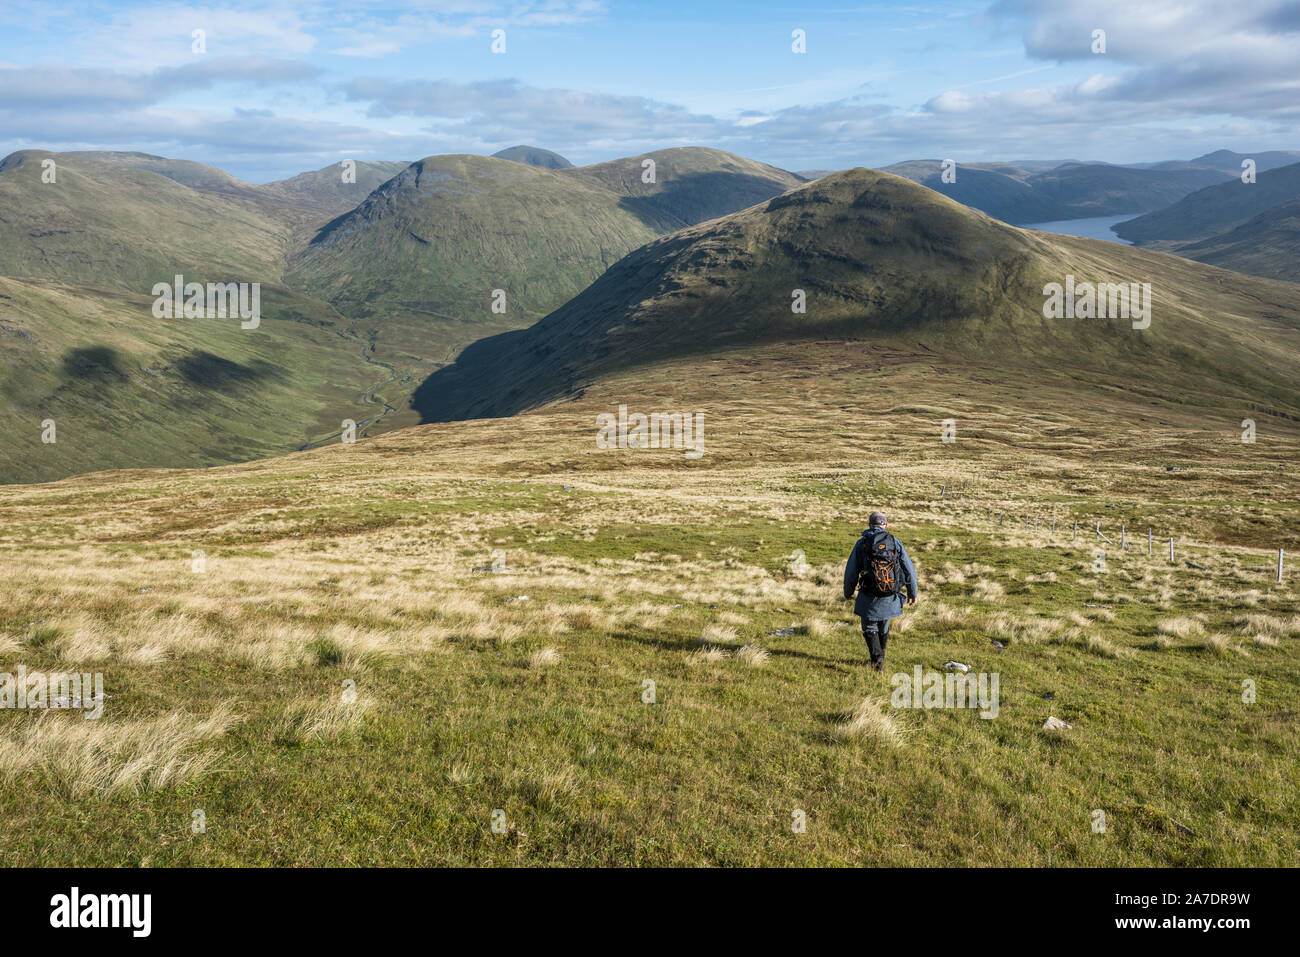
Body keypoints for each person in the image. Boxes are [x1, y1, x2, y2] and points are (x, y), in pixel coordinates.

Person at [842, 511, 917, 671]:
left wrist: (848, 592)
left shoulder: (861, 543)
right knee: (883, 627)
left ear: (869, 525)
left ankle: (878, 663)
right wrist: (912, 592)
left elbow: (851, 571)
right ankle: (879, 659)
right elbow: (909, 570)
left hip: (868, 595)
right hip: (890, 594)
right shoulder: (895, 543)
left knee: (869, 628)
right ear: (886, 525)